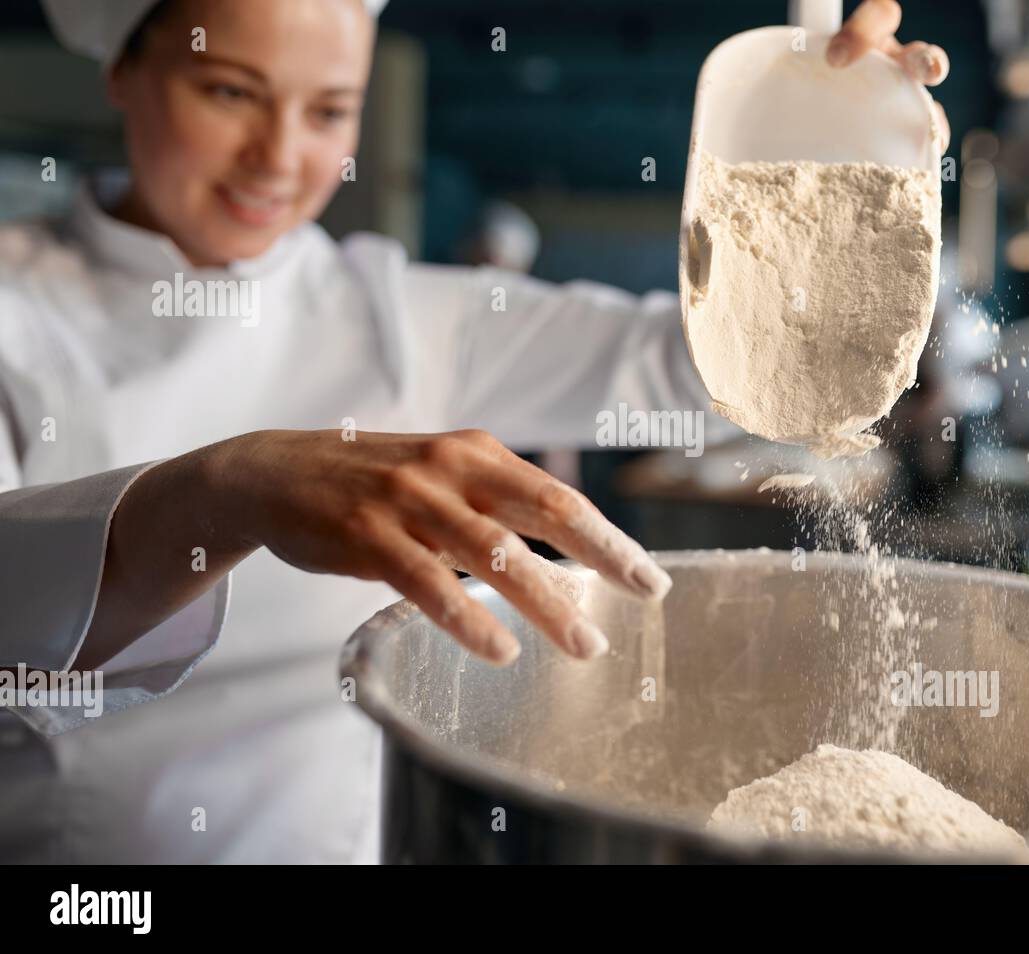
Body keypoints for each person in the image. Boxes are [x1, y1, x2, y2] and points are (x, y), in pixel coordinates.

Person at [0, 0, 949, 862]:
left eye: (329, 112)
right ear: (122, 68)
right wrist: (235, 486)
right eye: (228, 91)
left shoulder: (400, 313)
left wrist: (840, 153)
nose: (280, 156)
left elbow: (708, 360)